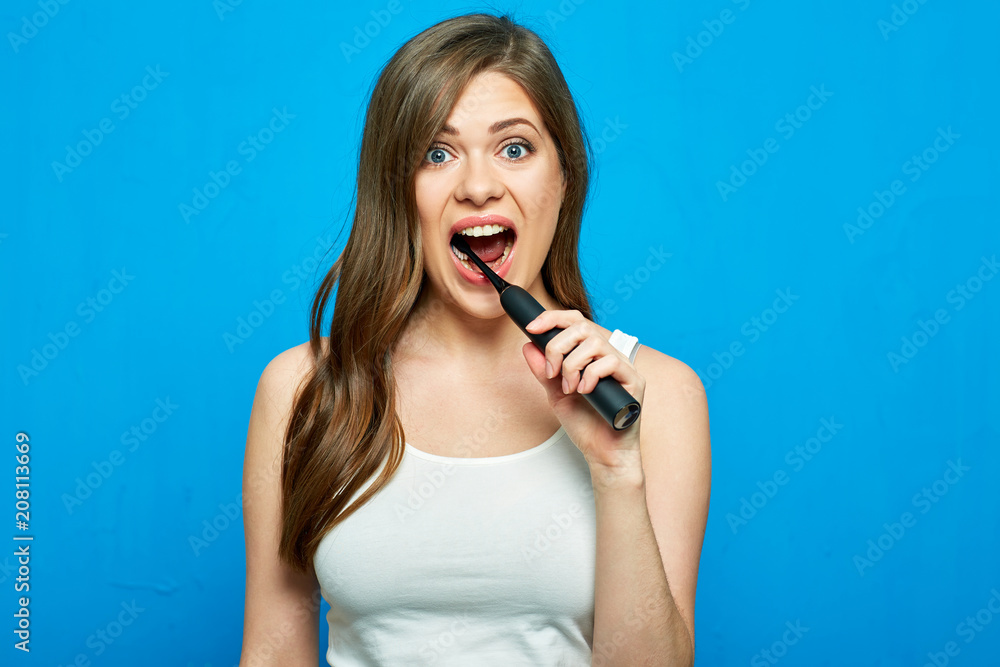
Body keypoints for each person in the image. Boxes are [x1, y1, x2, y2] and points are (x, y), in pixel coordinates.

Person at [239, 11, 710, 667]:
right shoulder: (304, 388)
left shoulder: (656, 395)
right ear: (396, 190)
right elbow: (272, 653)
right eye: (437, 153)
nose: (479, 187)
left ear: (564, 177)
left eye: (515, 148)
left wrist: (616, 472)